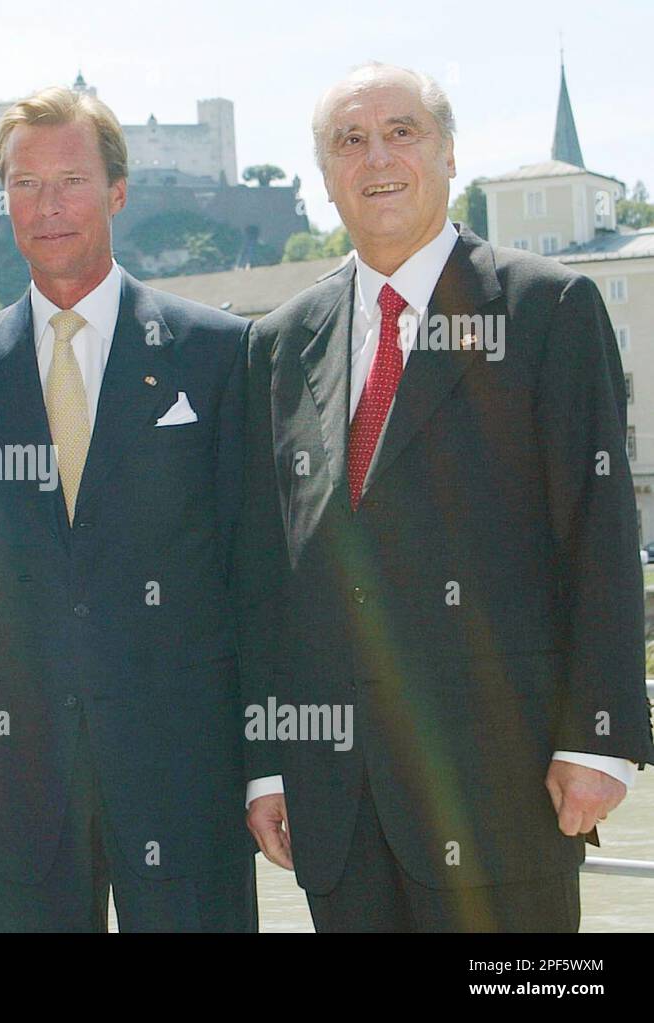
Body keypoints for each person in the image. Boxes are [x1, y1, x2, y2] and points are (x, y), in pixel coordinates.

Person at [239, 62, 654, 932]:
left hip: (503, 790)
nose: (376, 156)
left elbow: (601, 533)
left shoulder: (548, 309)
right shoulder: (279, 346)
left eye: (402, 131)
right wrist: (272, 763)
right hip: (339, 802)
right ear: (325, 174)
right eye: (350, 140)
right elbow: (266, 572)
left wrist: (599, 737)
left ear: (450, 153)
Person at [0, 86, 255, 932]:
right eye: (24, 185)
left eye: (69, 180)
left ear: (117, 191)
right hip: (29, 778)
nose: (47, 205)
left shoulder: (217, 352)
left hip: (187, 773)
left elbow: (252, 571)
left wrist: (266, 766)